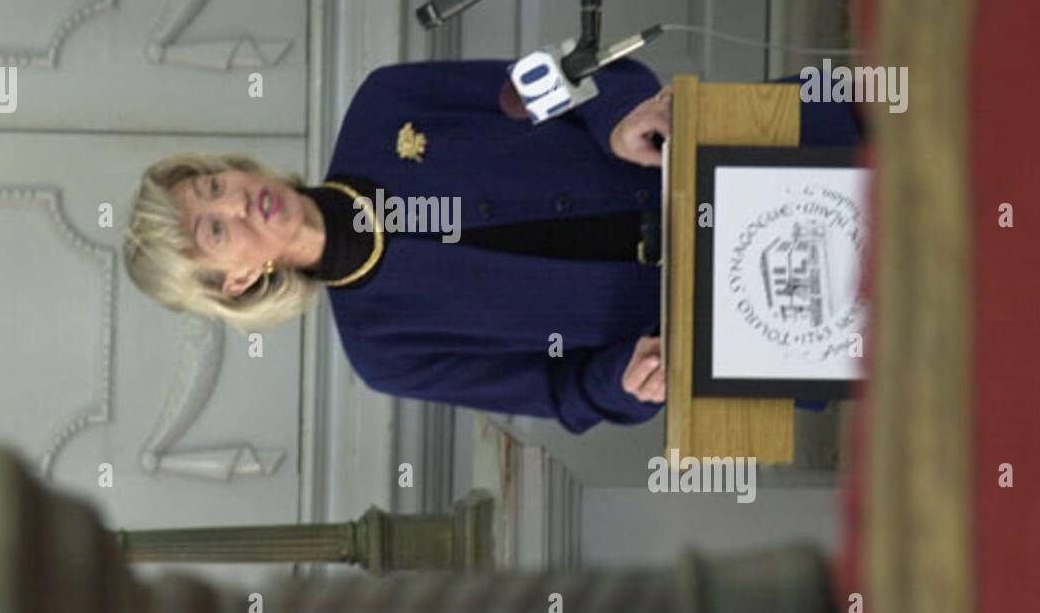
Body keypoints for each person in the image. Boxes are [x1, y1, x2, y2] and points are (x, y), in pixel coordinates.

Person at [123, 59, 861, 434]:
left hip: (745, 152)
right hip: (741, 319)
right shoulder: (387, 351)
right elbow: (561, 392)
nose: (234, 199)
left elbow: (559, 80)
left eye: (216, 182)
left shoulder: (386, 106)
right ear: (241, 281)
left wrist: (612, 117)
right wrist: (622, 383)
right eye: (214, 229)